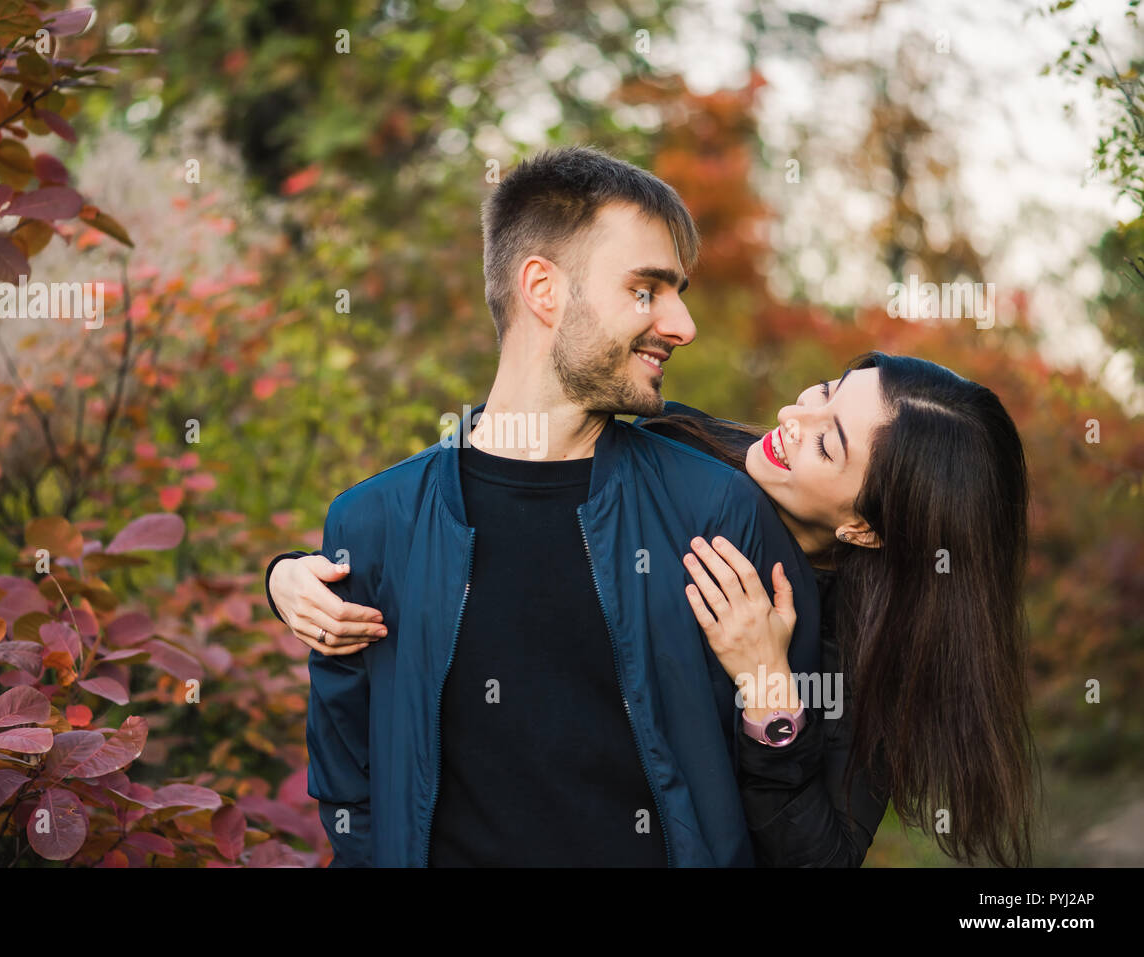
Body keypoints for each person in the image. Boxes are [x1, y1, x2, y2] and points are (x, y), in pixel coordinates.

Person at [265, 145, 822, 867]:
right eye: (649, 289)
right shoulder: (372, 523)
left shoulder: (716, 511)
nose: (682, 324)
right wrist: (281, 574)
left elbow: (787, 807)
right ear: (543, 288)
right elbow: (349, 786)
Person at [273, 352, 1037, 868]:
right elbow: (470, 484)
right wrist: (291, 578)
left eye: (828, 444)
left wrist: (770, 692)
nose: (792, 419)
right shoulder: (677, 451)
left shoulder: (868, 649)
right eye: (827, 391)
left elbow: (818, 855)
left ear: (864, 526)